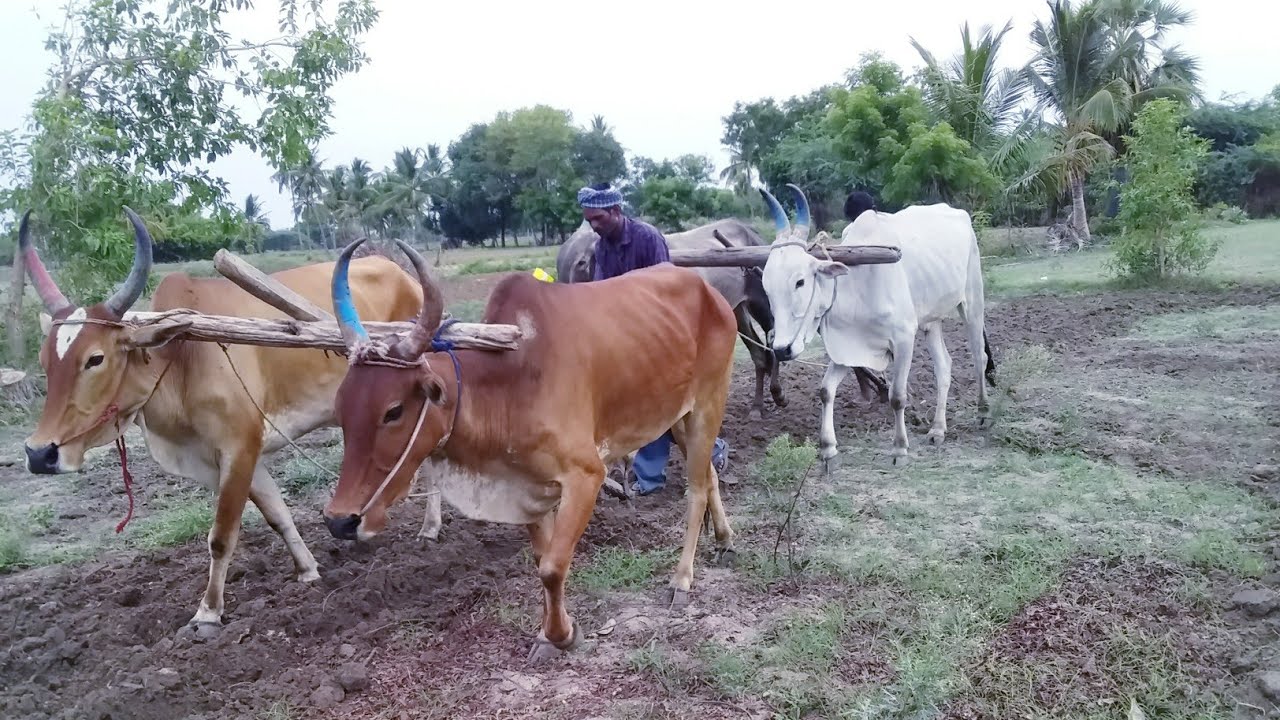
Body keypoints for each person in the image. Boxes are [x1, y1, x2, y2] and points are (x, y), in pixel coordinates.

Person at [577, 182, 729, 495]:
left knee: (675, 403)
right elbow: (601, 293)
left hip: (660, 335)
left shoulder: (647, 237)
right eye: (589, 220)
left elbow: (667, 287)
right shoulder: (602, 248)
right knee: (645, 405)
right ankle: (649, 478)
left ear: (616, 211)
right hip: (629, 338)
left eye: (598, 219)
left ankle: (712, 451)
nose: (593, 226)